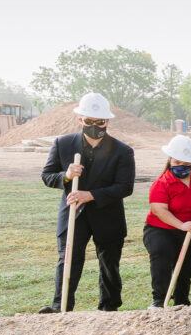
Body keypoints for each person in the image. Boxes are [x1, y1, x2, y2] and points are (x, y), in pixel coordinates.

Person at [39, 92, 135, 313]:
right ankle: (61, 306)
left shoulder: (123, 151)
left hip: (108, 215)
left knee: (109, 264)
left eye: (100, 122)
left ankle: (109, 309)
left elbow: (125, 187)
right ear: (80, 119)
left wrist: (90, 195)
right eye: (89, 121)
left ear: (107, 121)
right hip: (74, 214)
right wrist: (66, 176)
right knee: (68, 260)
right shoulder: (63, 144)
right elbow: (47, 176)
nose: (94, 126)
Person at [144, 134, 191, 308]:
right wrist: (181, 225)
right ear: (170, 160)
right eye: (177, 162)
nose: (181, 166)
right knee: (162, 260)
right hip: (162, 230)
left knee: (186, 269)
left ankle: (182, 303)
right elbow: (159, 210)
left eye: (186, 163)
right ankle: (159, 301)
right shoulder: (162, 183)